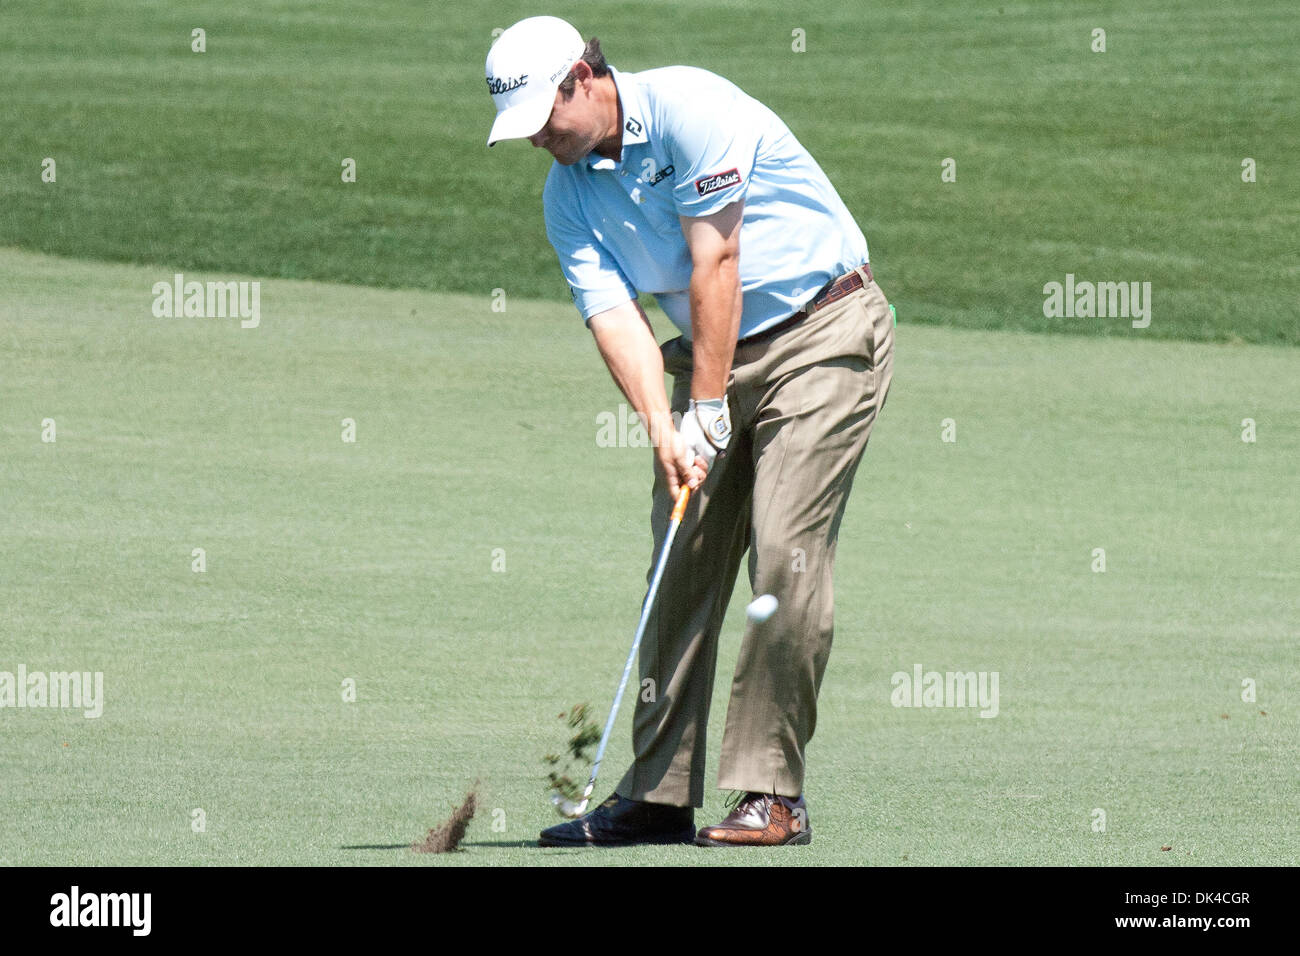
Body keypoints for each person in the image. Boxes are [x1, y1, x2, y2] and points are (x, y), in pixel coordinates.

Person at [485, 16, 894, 848]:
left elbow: (718, 263)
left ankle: (772, 794)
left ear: (580, 78)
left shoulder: (689, 106)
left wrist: (706, 408)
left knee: (785, 552)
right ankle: (657, 795)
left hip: (824, 332)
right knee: (681, 561)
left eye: (541, 117)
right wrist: (666, 427)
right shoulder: (567, 197)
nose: (536, 139)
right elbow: (616, 320)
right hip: (711, 355)